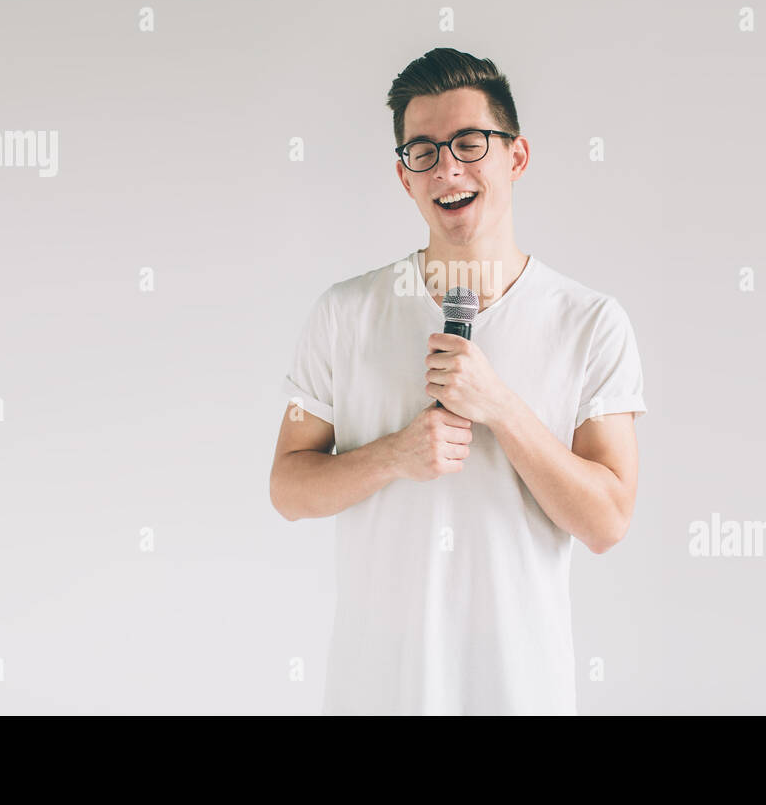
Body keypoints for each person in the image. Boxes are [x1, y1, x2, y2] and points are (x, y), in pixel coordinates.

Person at [270, 47, 647, 714]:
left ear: (516, 157)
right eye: (423, 150)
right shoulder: (346, 311)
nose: (447, 167)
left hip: (519, 691)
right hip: (376, 692)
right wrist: (392, 455)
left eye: (469, 143)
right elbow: (289, 488)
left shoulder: (590, 322)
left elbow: (607, 521)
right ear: (404, 176)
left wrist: (500, 406)